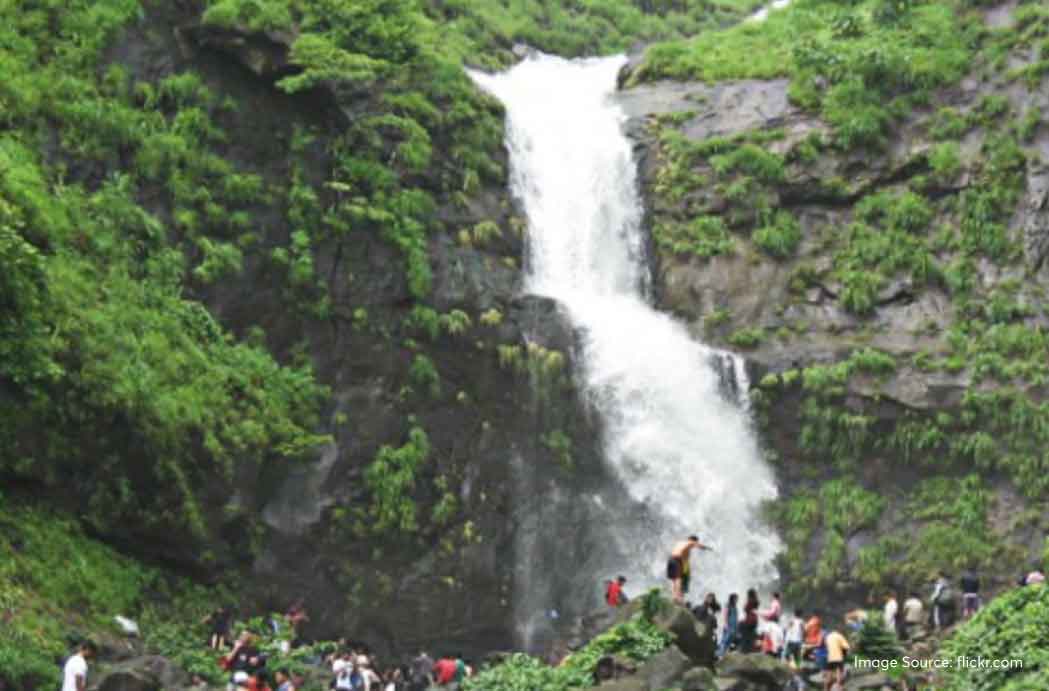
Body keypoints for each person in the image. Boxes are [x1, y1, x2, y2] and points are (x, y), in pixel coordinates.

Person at [666, 535, 711, 603]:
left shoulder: (680, 543)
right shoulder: (690, 542)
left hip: (671, 559)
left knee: (674, 579)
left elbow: (683, 555)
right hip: (677, 560)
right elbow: (699, 545)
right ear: (693, 540)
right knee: (678, 579)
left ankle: (674, 596)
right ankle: (678, 598)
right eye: (696, 542)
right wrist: (708, 548)